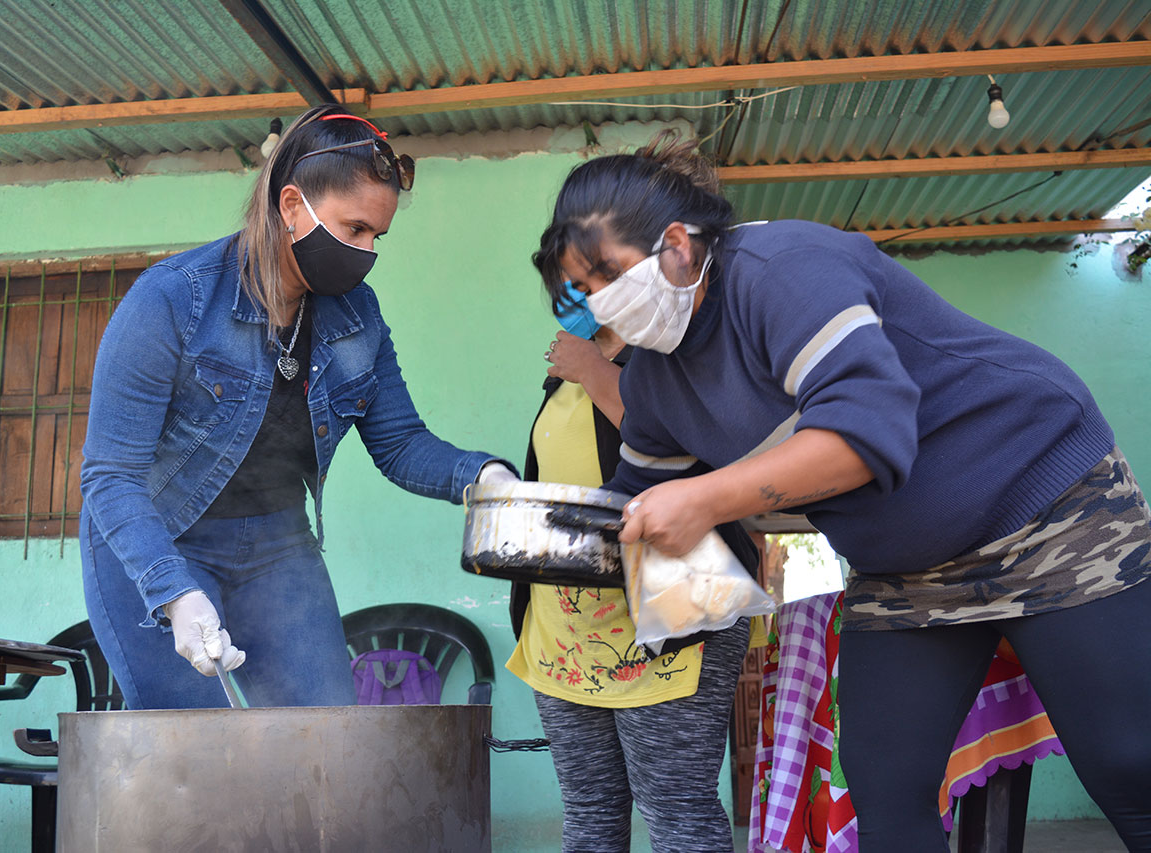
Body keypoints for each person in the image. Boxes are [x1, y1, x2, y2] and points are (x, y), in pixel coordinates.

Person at [530, 130, 1151, 852]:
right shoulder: (656, 377)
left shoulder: (782, 269)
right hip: (903, 569)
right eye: (585, 288)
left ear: (676, 244)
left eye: (608, 272)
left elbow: (863, 437)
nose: (603, 301)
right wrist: (534, 535)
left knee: (1128, 764)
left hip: (1046, 506)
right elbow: (637, 495)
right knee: (884, 790)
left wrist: (704, 500)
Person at [80, 105, 515, 710]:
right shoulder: (173, 300)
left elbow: (400, 443)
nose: (367, 252)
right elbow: (110, 475)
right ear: (291, 207)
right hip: (163, 537)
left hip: (278, 546)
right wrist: (174, 592)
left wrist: (484, 479)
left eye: (377, 237)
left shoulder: (357, 317)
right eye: (353, 228)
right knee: (188, 753)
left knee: (323, 734)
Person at [505, 294, 759, 853]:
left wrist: (595, 372)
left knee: (678, 812)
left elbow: (697, 455)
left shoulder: (675, 355)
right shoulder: (566, 371)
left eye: (584, 270)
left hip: (672, 619)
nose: (567, 287)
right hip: (568, 632)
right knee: (590, 811)